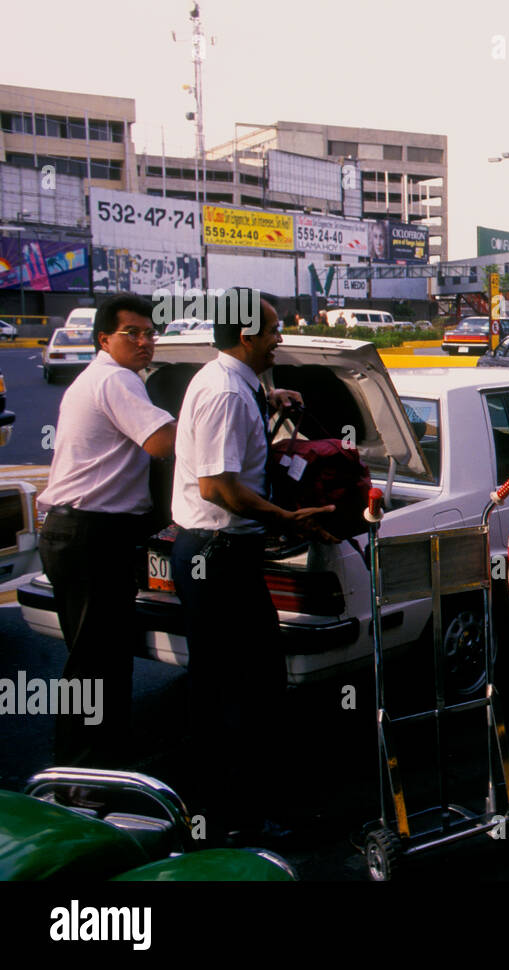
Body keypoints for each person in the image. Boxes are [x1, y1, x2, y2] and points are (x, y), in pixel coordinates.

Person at [170, 287, 339, 843]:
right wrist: (290, 519)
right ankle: (237, 822)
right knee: (241, 688)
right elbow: (217, 486)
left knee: (240, 684)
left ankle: (232, 809)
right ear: (245, 336)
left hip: (220, 556)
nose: (279, 339)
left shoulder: (233, 383)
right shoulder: (225, 394)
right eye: (271, 332)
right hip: (217, 558)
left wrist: (272, 399)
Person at [37, 293, 176, 768]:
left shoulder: (105, 376)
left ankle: (103, 759)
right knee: (94, 661)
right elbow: (161, 443)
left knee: (104, 655)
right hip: (88, 535)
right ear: (104, 339)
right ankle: (80, 774)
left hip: (87, 533)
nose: (144, 342)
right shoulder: (116, 379)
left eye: (149, 333)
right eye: (131, 333)